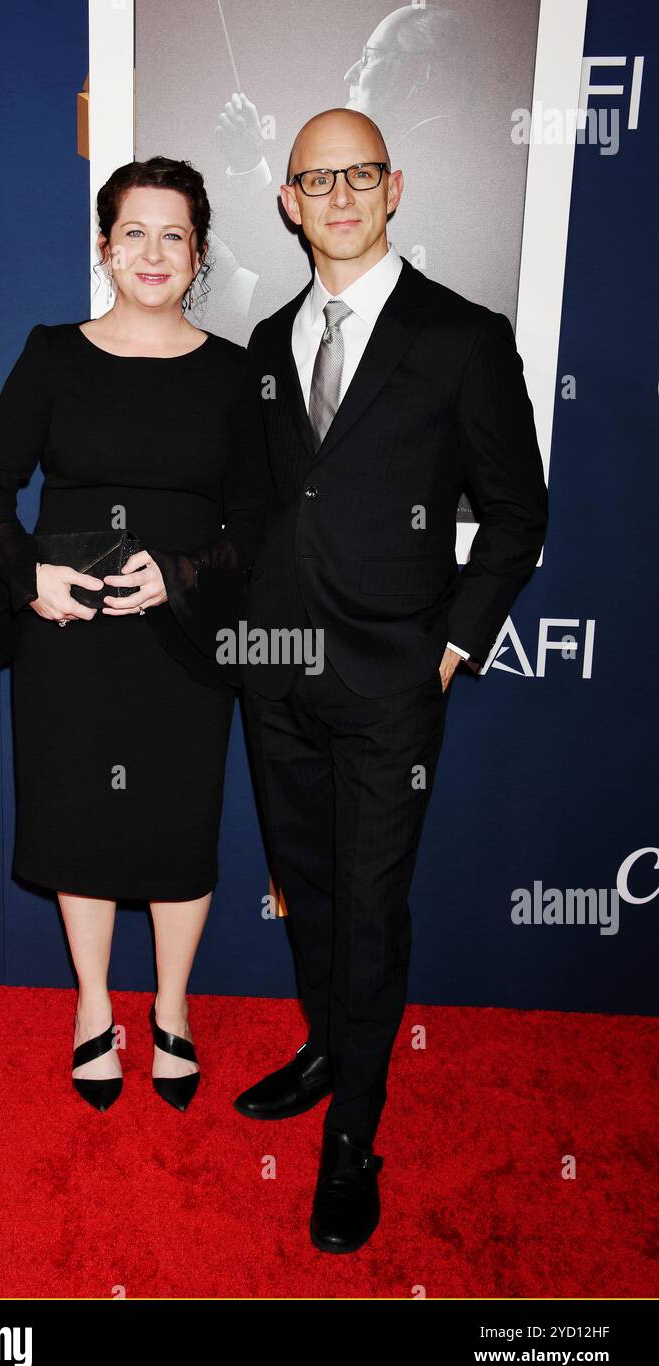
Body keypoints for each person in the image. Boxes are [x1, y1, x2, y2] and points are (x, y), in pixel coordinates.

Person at [236, 108, 548, 1253]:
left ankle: (353, 1135)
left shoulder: (461, 337)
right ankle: (328, 1046)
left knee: (370, 910)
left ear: (395, 185)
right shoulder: (269, 342)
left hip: (390, 684)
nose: (340, 196)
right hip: (277, 675)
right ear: (288, 200)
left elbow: (517, 515)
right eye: (316, 180)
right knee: (307, 890)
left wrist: (455, 643)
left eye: (359, 174)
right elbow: (272, 510)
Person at [0, 156, 267, 1116]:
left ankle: (172, 1007)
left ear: (200, 253)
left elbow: (256, 520)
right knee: (77, 821)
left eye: (175, 234)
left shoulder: (234, 373)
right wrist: (27, 575)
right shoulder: (53, 353)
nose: (154, 251)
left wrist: (174, 578)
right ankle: (93, 1009)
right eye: (135, 231)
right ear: (105, 246)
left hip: (183, 637)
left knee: (178, 822)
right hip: (69, 635)